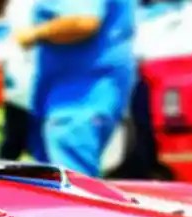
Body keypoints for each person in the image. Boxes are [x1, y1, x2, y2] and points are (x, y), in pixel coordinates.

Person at [17, 0, 137, 176]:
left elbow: (83, 22)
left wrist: (33, 33)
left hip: (80, 98)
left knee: (73, 188)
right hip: (82, 93)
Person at [0, 0, 38, 160]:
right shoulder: (20, 5)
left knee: (14, 141)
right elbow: (21, 39)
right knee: (13, 140)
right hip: (23, 85)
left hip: (25, 84)